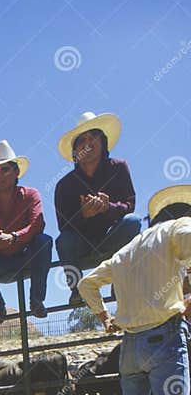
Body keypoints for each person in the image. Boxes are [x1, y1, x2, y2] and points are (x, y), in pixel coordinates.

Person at [78, 185, 191, 395]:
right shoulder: (178, 228)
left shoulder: (127, 250)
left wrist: (103, 317)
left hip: (130, 347)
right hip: (165, 339)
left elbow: (86, 283)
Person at [55, 111, 141, 306]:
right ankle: (77, 291)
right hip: (82, 245)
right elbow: (63, 225)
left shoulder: (119, 168)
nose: (88, 143)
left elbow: (130, 205)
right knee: (63, 240)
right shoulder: (64, 185)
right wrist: (84, 214)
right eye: (82, 140)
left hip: (113, 238)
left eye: (93, 137)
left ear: (103, 143)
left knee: (133, 222)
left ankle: (120, 280)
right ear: (75, 152)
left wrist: (107, 207)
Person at [0, 140, 53, 323]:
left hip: (27, 256)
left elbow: (37, 225)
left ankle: (36, 301)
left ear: (16, 172)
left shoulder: (31, 195)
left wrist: (13, 237)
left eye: (4, 170)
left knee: (44, 240)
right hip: (1, 262)